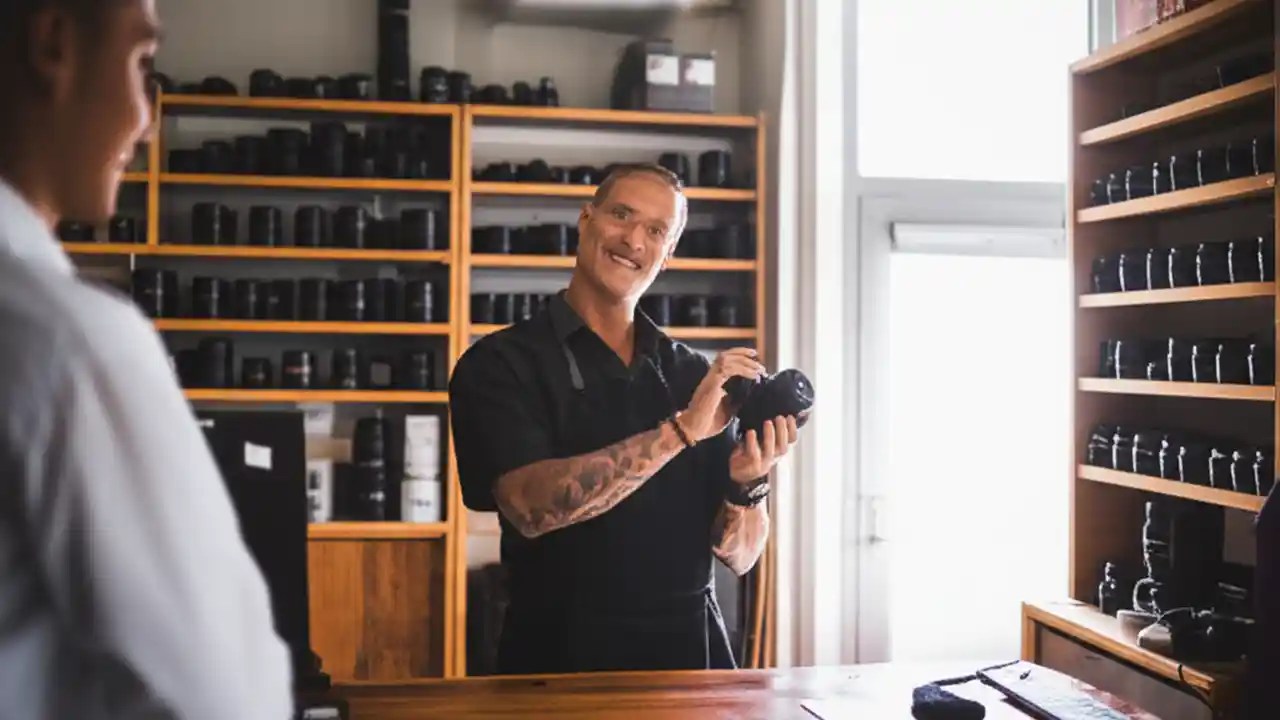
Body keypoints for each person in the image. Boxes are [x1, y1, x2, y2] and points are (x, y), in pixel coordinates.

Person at [0, 1, 292, 718]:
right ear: (55, 42)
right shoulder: (68, 346)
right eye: (140, 65)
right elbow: (231, 699)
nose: (146, 120)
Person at [450, 163, 803, 674]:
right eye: (621, 215)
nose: (634, 239)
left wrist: (748, 484)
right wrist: (680, 433)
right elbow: (528, 506)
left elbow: (740, 555)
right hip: (558, 661)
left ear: (669, 251)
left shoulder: (693, 374)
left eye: (657, 230)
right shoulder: (501, 364)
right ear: (586, 218)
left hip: (689, 661)